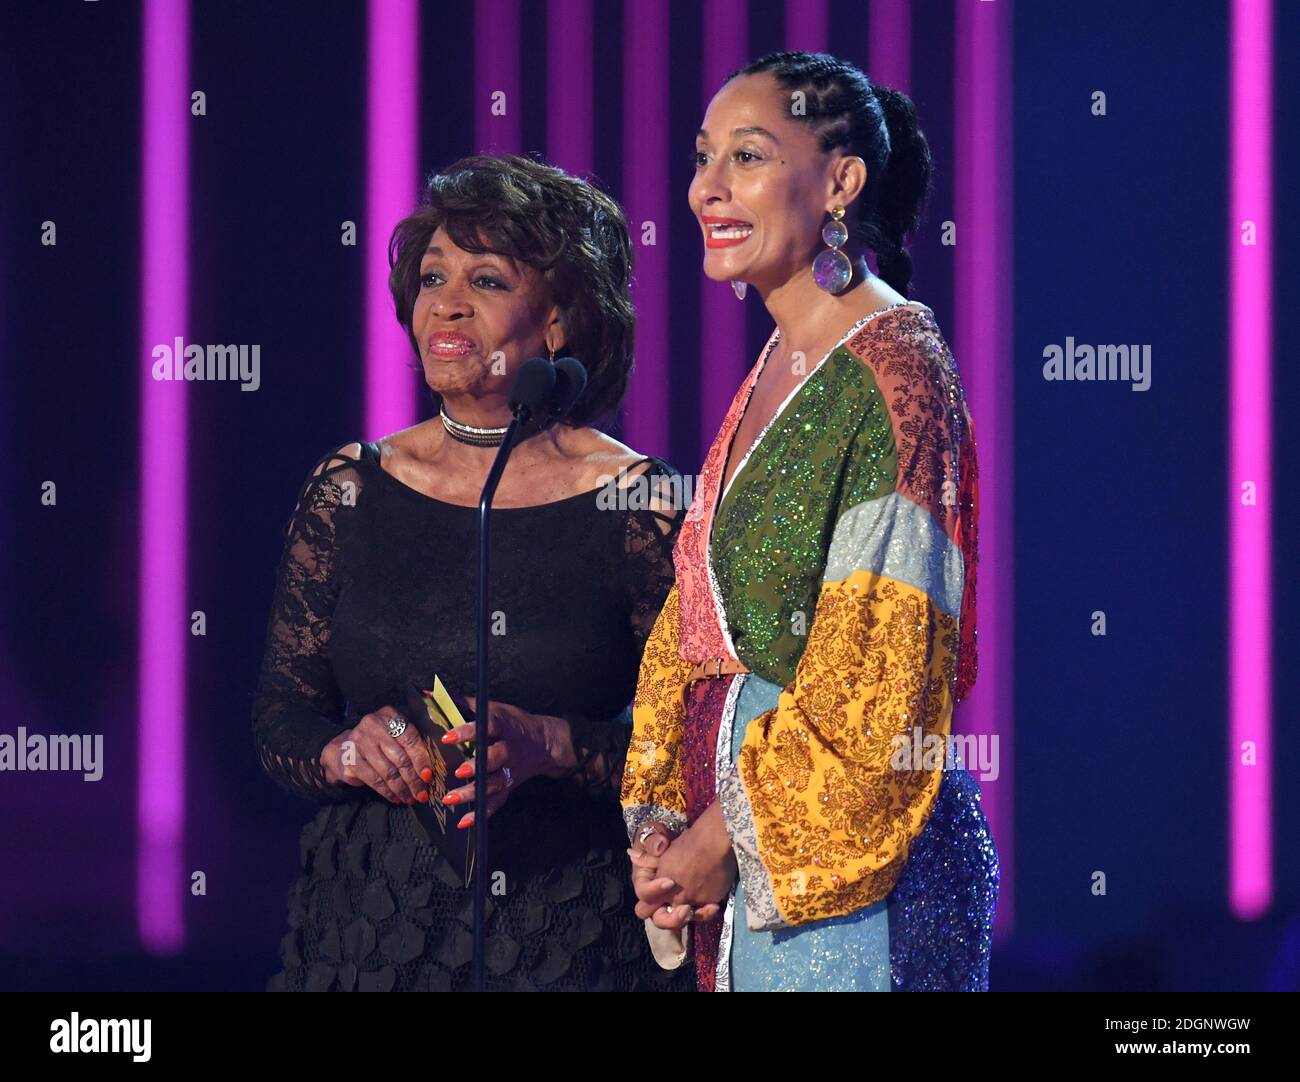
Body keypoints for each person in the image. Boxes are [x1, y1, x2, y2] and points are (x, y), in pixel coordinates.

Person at [253, 153, 693, 991]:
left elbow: (699, 744)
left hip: (566, 928)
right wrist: (347, 751)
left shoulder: (641, 503)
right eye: (431, 277)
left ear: (559, 319)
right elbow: (281, 718)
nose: (445, 304)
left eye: (486, 279)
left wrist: (553, 745)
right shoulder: (351, 488)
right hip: (369, 928)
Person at [621, 51, 998, 991]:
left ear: (839, 182)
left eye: (746, 158)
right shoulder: (780, 364)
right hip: (748, 865)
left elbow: (883, 679)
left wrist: (722, 834)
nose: (707, 188)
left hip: (849, 887)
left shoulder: (897, 375)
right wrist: (663, 824)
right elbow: (693, 624)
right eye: (703, 158)